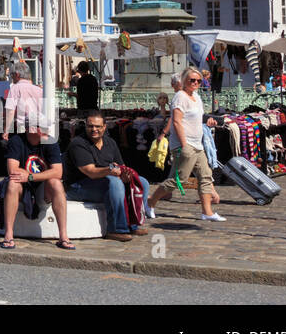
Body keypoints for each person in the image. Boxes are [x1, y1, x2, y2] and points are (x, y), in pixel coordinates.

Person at [65, 110, 150, 241]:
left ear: (104, 127)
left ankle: (134, 224)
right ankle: (116, 229)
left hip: (103, 182)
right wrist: (110, 170)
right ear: (85, 126)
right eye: (90, 126)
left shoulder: (110, 143)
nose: (94, 129)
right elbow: (90, 172)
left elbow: (120, 166)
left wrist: (125, 176)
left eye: (98, 126)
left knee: (142, 182)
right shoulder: (78, 143)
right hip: (78, 186)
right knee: (114, 183)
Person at [154, 68, 223, 221]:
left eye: (198, 81)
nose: (196, 83)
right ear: (184, 80)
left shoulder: (196, 97)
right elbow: (177, 121)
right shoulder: (180, 97)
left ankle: (207, 212)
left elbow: (197, 119)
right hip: (184, 144)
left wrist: (208, 122)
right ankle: (150, 202)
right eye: (192, 80)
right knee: (179, 179)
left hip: (197, 143)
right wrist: (184, 144)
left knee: (205, 176)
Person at [0, 125, 72, 250]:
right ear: (29, 129)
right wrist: (32, 177)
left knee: (56, 183)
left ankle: (63, 236)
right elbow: (13, 170)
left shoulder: (50, 141)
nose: (46, 129)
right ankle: (8, 234)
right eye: (40, 126)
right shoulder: (16, 140)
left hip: (42, 188)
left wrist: (31, 177)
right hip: (23, 187)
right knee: (12, 183)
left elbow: (58, 172)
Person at [3, 67, 45, 139]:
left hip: (23, 129)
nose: (11, 77)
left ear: (17, 74)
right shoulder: (39, 90)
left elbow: (10, 111)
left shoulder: (15, 88)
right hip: (39, 128)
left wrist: (6, 131)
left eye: (12, 75)